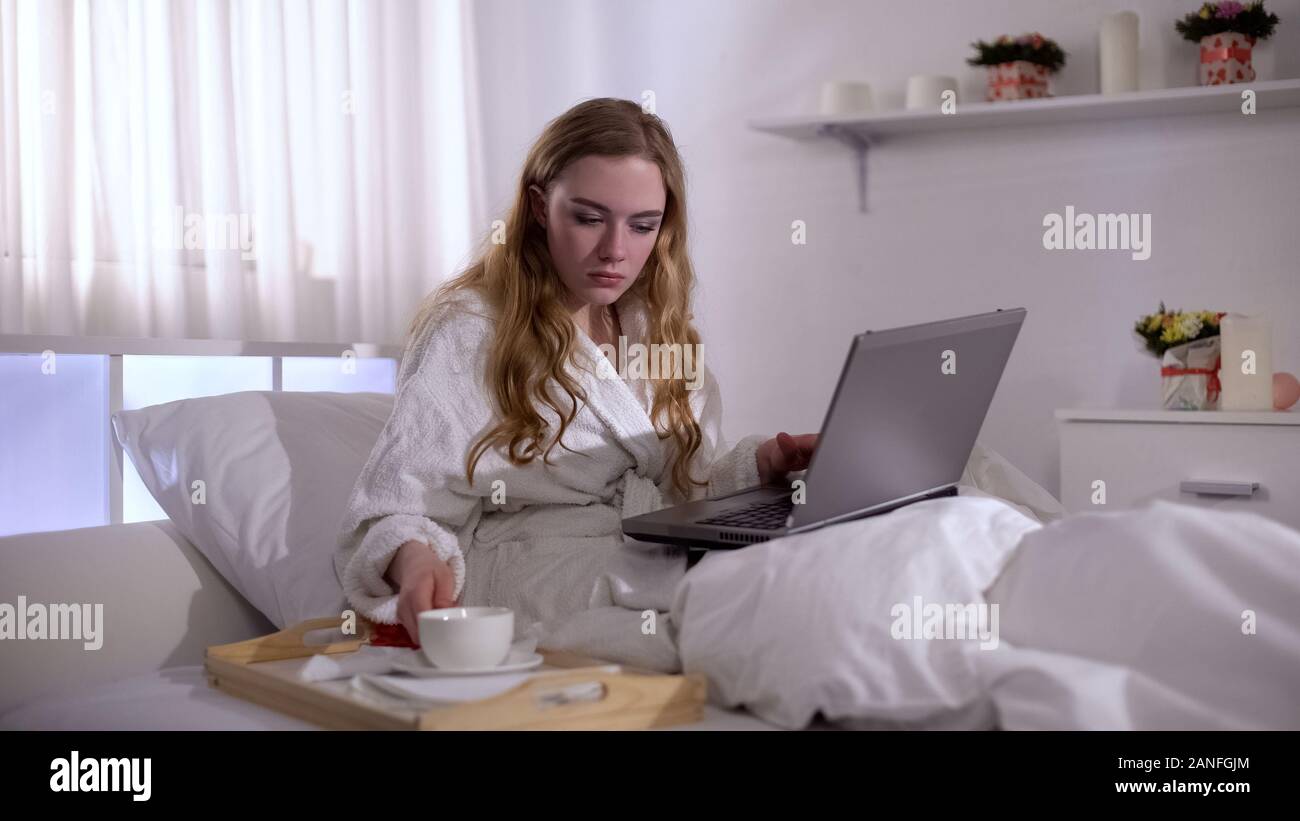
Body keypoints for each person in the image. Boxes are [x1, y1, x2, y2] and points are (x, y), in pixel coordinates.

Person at [334, 97, 817, 647]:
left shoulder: (654, 323)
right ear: (540, 206)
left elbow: (686, 486)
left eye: (642, 225)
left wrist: (761, 467)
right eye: (589, 218)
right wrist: (417, 563)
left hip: (646, 549)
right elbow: (396, 507)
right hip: (530, 573)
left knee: (815, 563)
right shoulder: (472, 329)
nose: (616, 251)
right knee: (754, 606)